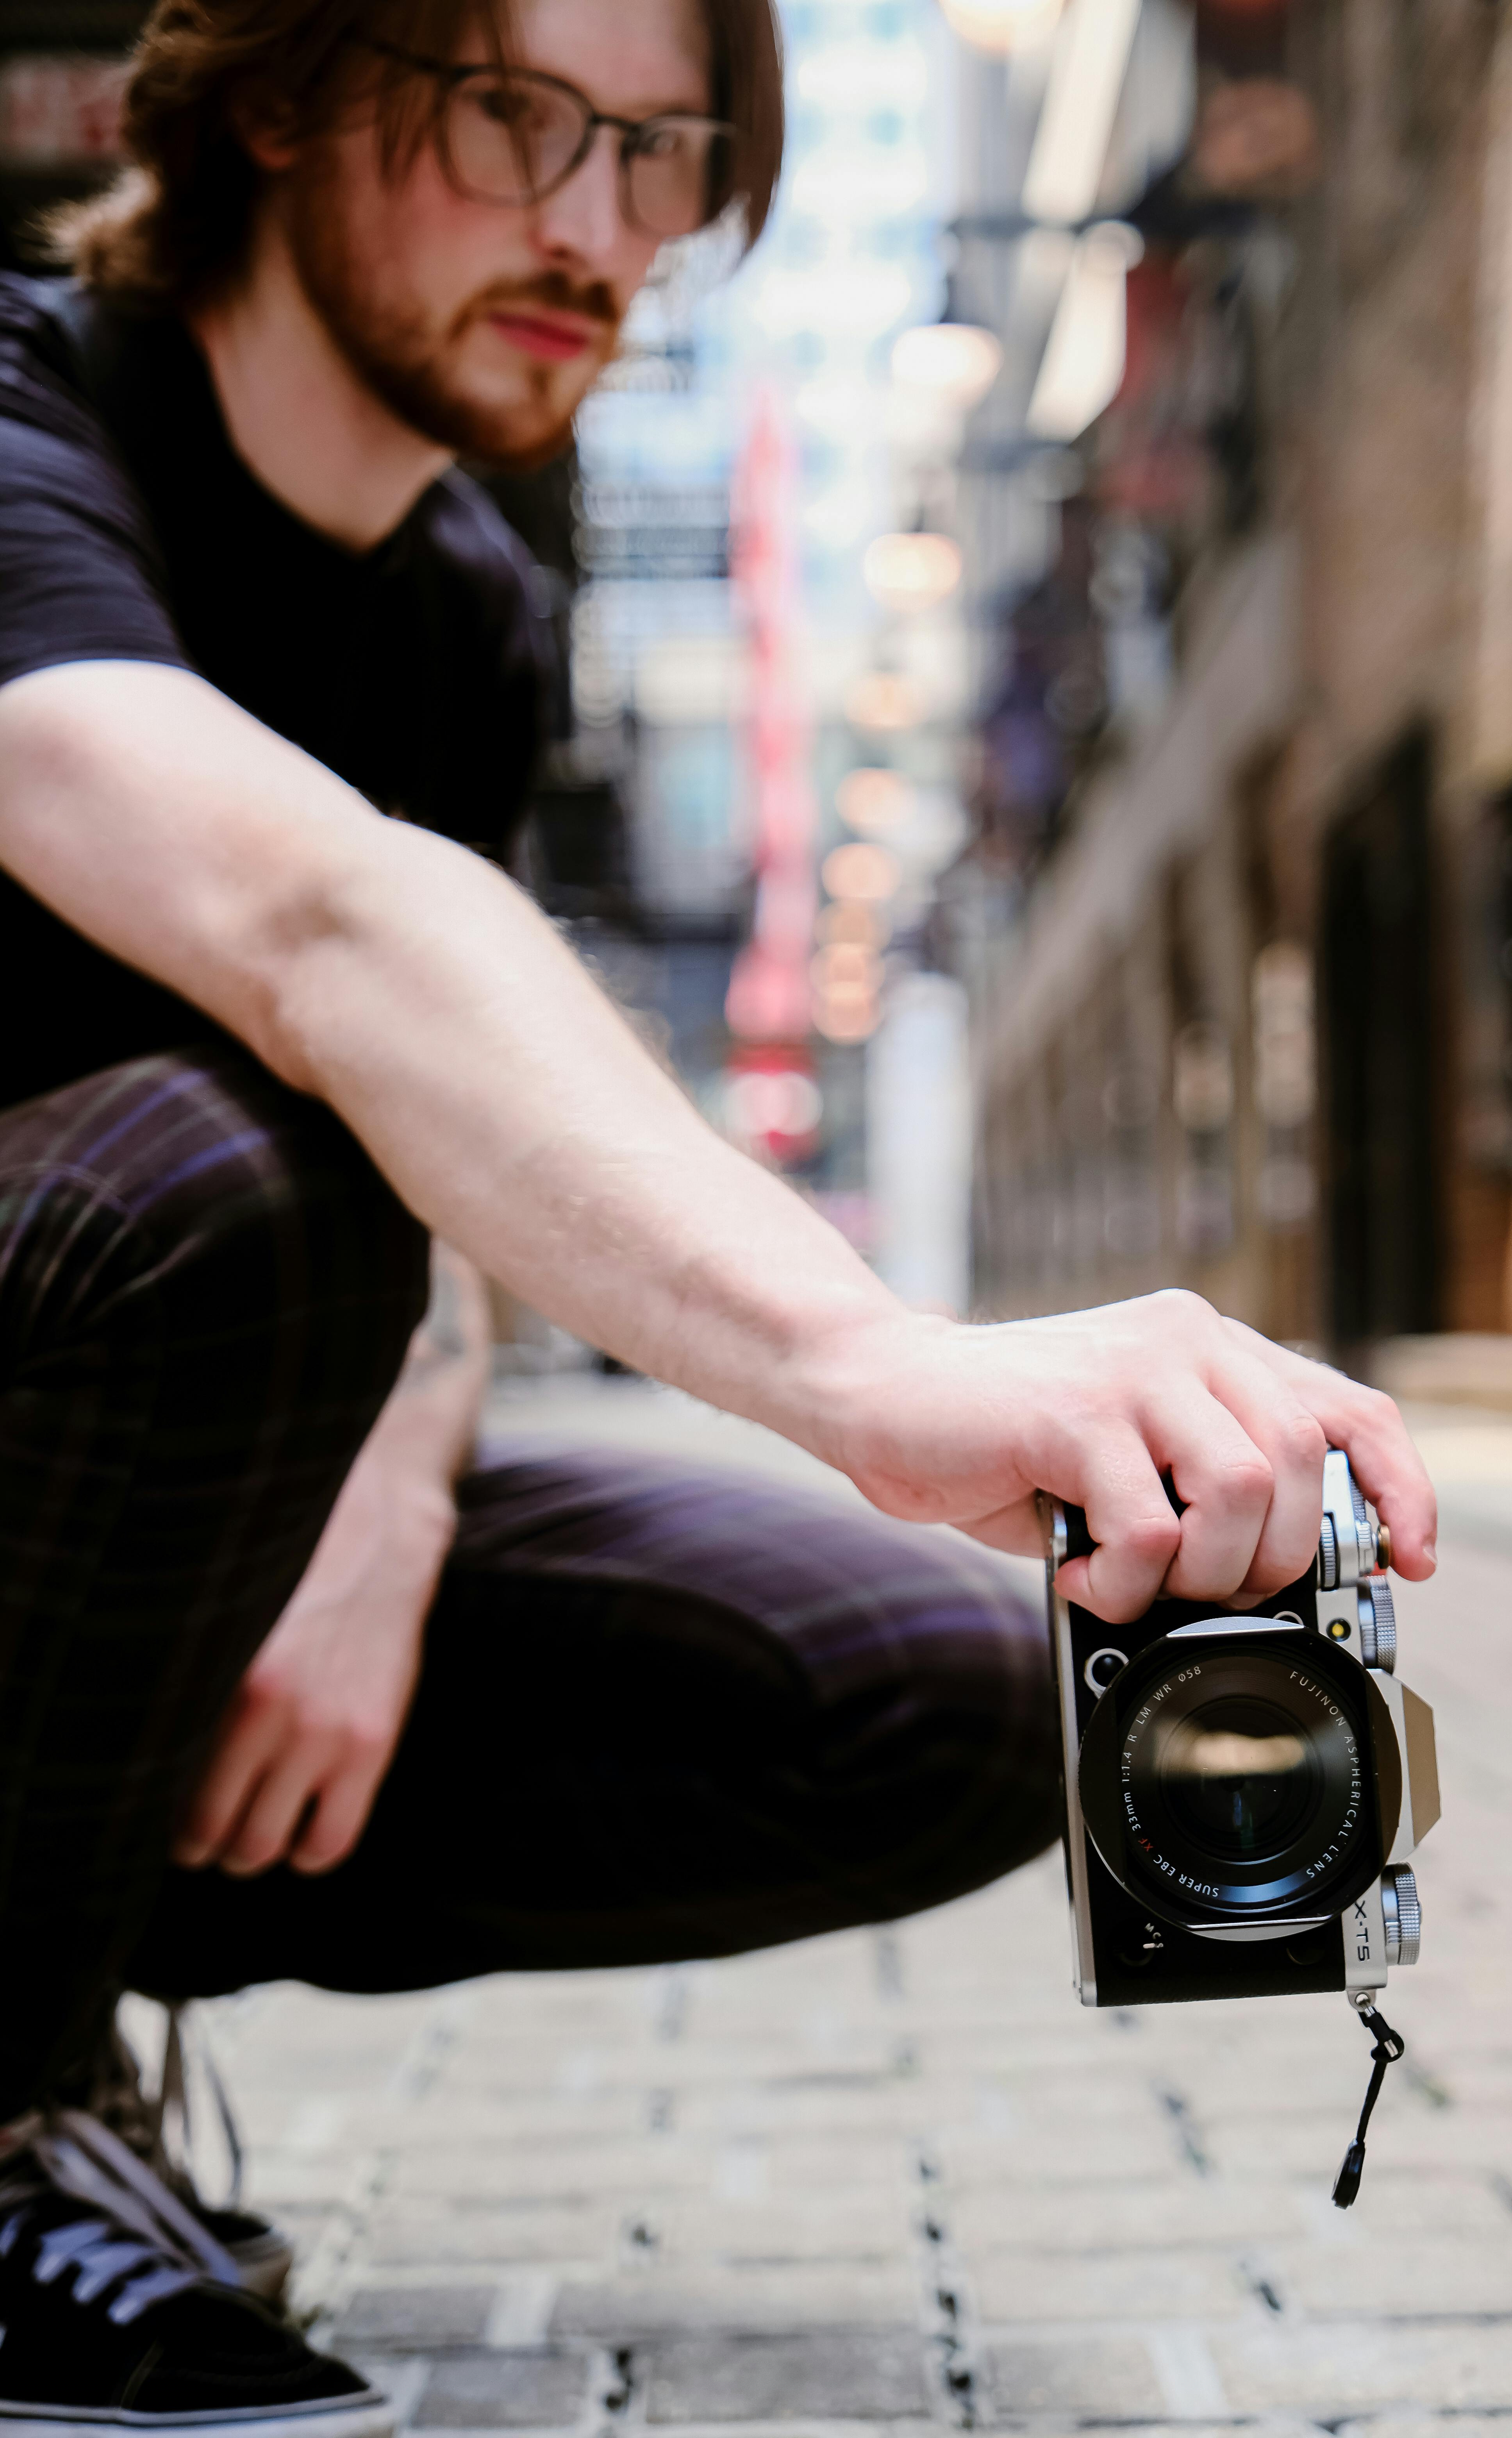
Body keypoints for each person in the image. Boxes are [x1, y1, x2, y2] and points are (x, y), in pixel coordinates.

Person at [0, 0, 1438, 2425]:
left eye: (665, 153)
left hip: (130, 1502)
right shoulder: (31, 426)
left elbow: (429, 1152)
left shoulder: (465, 605)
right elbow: (325, 932)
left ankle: (38, 1976)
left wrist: (381, 1502)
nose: (601, 231)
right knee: (233, 1185)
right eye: (514, 122)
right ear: (274, 94)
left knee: (925, 1698)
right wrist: (872, 1365)